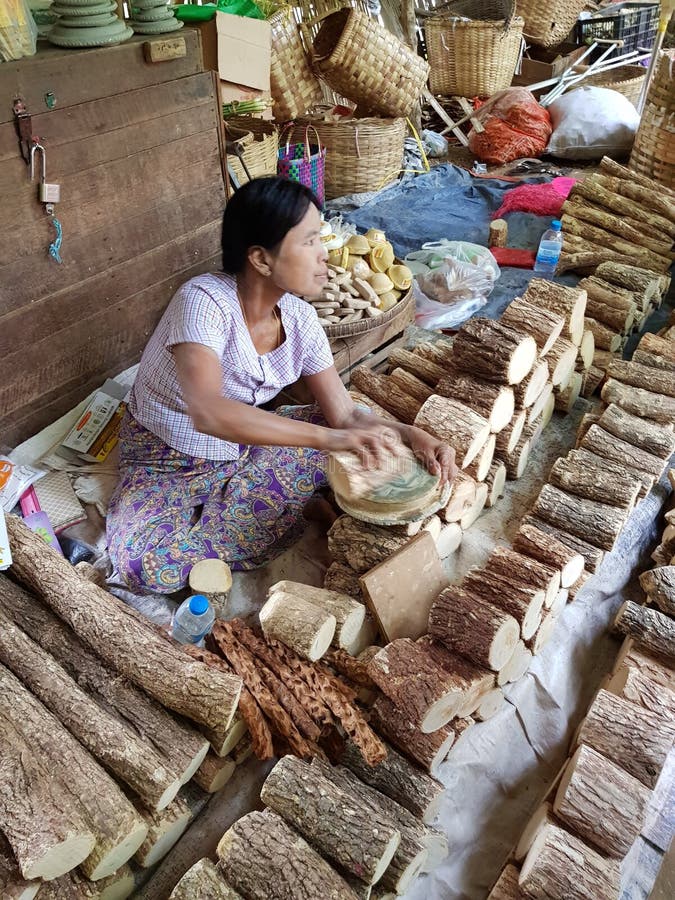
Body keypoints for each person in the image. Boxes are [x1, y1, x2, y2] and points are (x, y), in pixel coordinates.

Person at [107, 177, 456, 593]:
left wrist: (411, 434)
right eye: (309, 241)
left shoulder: (301, 320)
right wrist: (328, 441)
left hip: (250, 444)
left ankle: (264, 501)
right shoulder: (202, 301)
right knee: (142, 565)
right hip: (167, 458)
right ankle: (279, 507)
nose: (324, 254)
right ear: (261, 259)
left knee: (368, 436)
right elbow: (209, 411)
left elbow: (342, 414)